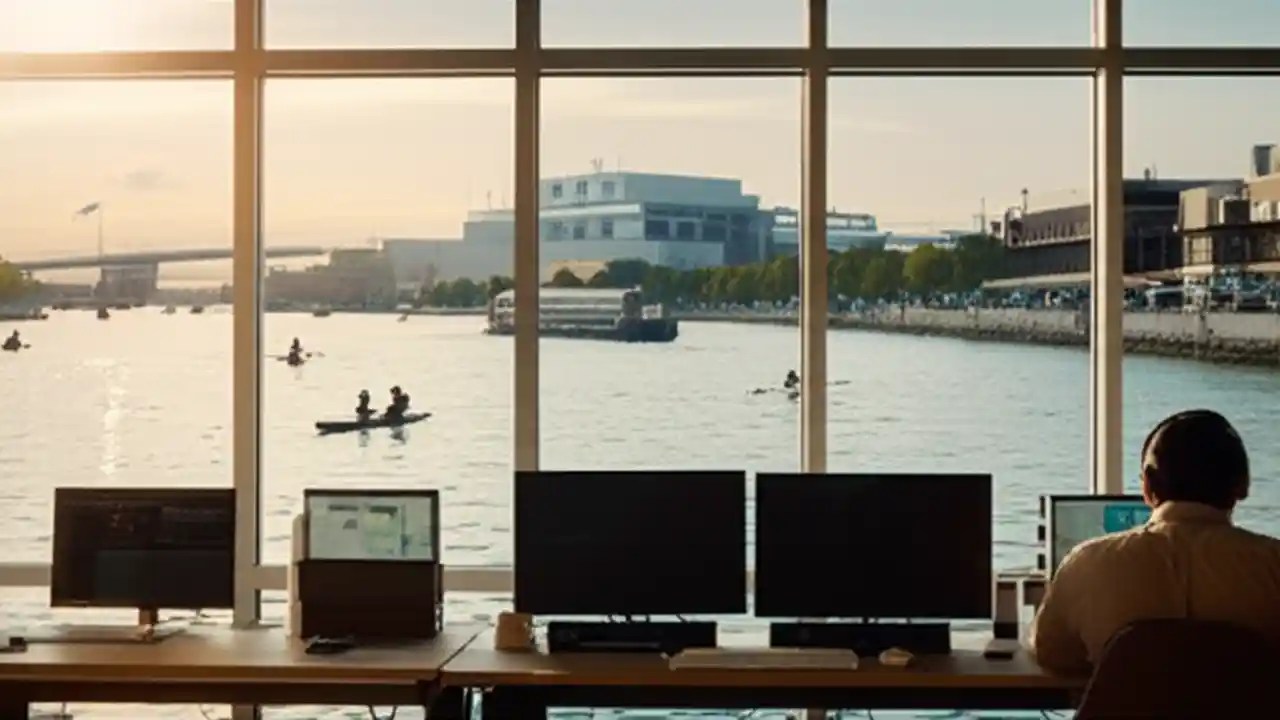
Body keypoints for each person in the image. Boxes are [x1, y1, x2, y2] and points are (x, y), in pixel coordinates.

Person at [1029, 409, 1280, 675]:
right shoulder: (1274, 566)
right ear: (1243, 485)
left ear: (1148, 486)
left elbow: (1053, 654)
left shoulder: (1085, 563)